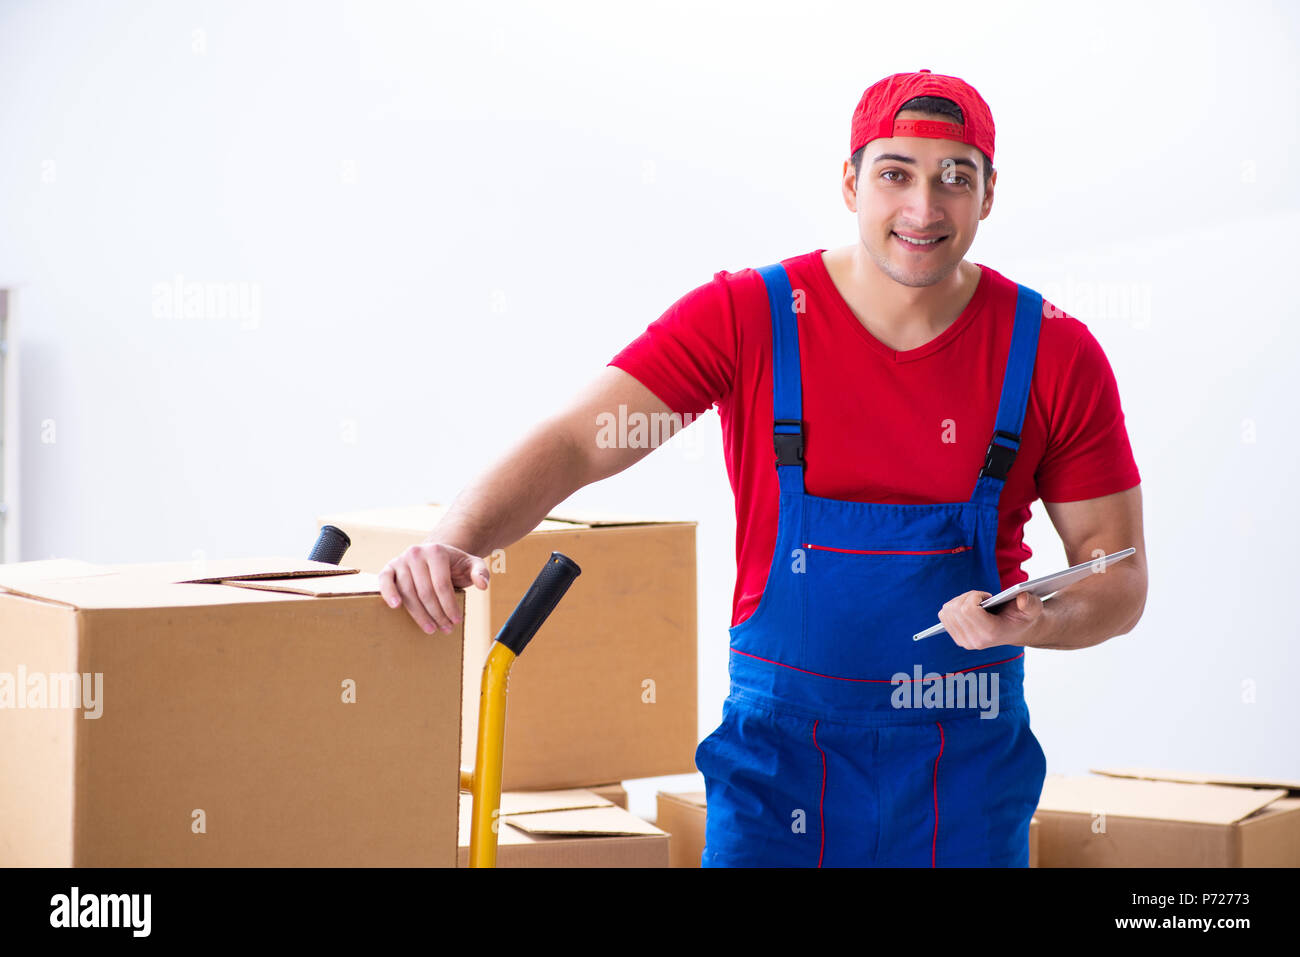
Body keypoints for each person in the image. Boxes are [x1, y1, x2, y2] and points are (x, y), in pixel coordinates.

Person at [377, 69, 1148, 867]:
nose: (924, 207)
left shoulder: (1054, 353)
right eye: (896, 174)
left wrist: (1040, 620)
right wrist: (453, 538)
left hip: (966, 775)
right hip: (779, 770)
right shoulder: (751, 318)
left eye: (956, 177)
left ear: (988, 195)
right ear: (850, 183)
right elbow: (580, 439)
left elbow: (1117, 576)